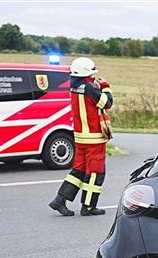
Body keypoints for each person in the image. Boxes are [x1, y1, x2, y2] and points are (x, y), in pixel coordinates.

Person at [49, 57, 113, 216]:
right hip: (94, 138)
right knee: (95, 173)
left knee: (78, 170)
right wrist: (105, 87)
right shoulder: (90, 88)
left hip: (80, 137)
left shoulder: (73, 86)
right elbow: (107, 103)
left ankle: (60, 200)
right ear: (86, 73)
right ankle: (88, 206)